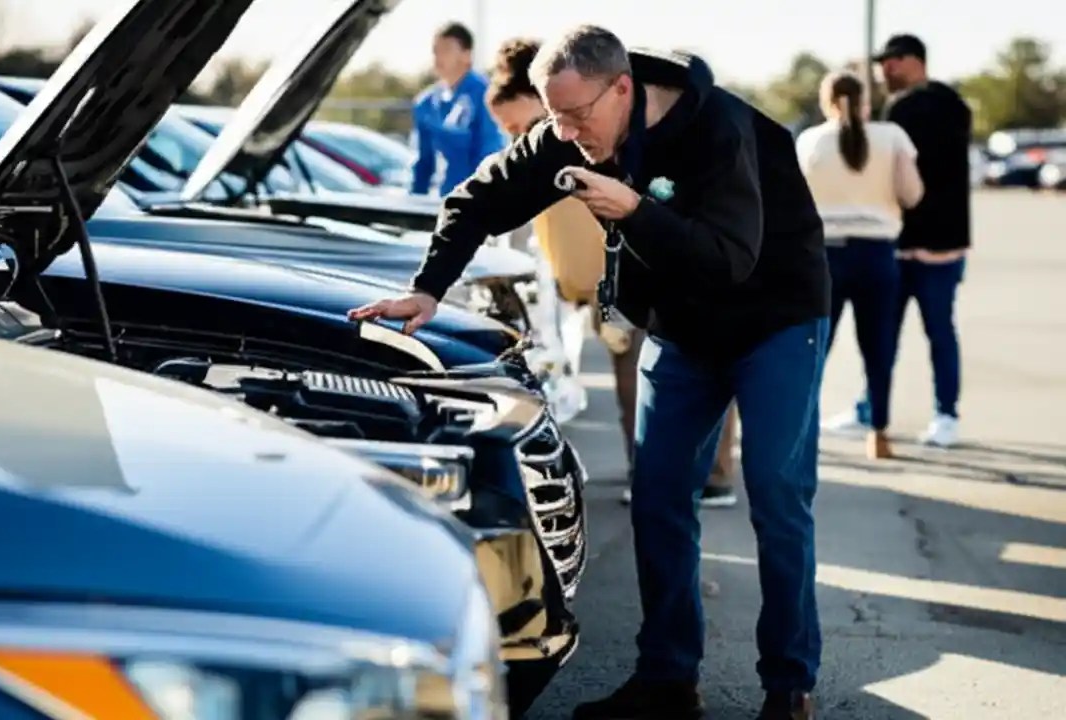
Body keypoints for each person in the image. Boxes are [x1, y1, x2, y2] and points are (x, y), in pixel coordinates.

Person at [350, 25, 829, 720]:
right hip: (683, 329)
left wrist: (637, 211)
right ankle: (668, 681)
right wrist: (428, 288)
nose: (566, 133)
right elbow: (475, 199)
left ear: (625, 89)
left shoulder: (720, 129)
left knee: (777, 497)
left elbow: (731, 258)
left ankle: (790, 687)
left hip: (775, 320)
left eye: (577, 115)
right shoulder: (571, 128)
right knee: (659, 496)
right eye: (554, 116)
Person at [484, 36, 739, 509]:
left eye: (519, 123)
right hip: (596, 281)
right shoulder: (546, 147)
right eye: (508, 130)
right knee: (637, 381)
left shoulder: (596, 138)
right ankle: (653, 472)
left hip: (639, 272)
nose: (516, 136)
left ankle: (707, 475)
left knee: (669, 372)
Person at [824, 34, 972, 448]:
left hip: (937, 247)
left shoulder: (933, 107)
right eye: (881, 63)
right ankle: (870, 409)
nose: (885, 70)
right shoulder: (906, 110)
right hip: (892, 244)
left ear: (915, 61)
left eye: (893, 62)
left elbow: (922, 178)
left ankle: (946, 413)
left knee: (937, 331)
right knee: (881, 336)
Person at [797, 71, 924, 460]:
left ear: (826, 100)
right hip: (877, 256)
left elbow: (796, 203)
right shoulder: (892, 137)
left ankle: (802, 434)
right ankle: (878, 434)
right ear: (863, 100)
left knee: (815, 349)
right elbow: (912, 194)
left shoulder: (809, 141)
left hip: (825, 257)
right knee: (878, 348)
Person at [410, 21, 506, 197]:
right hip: (441, 201)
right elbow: (423, 162)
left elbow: (489, 151)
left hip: (478, 202)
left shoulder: (486, 95)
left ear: (467, 55)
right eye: (435, 50)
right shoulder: (425, 103)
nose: (438, 57)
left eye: (446, 50)